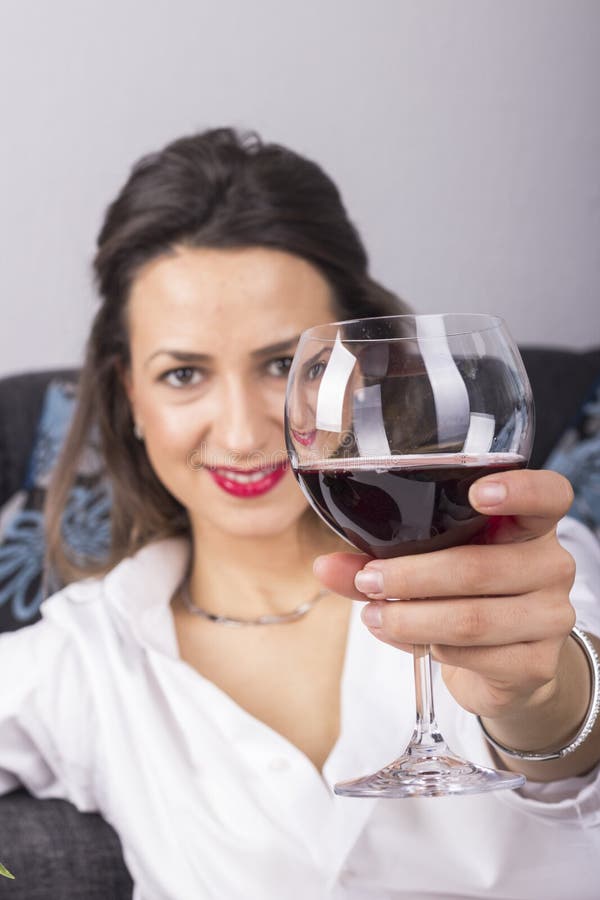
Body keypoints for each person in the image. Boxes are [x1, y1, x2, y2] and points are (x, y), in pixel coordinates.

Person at [1, 128, 599, 900]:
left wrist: (541, 700)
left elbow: (573, 746)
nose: (247, 434)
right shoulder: (83, 657)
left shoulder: (521, 569)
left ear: (362, 376)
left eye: (284, 366)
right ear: (130, 399)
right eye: (183, 373)